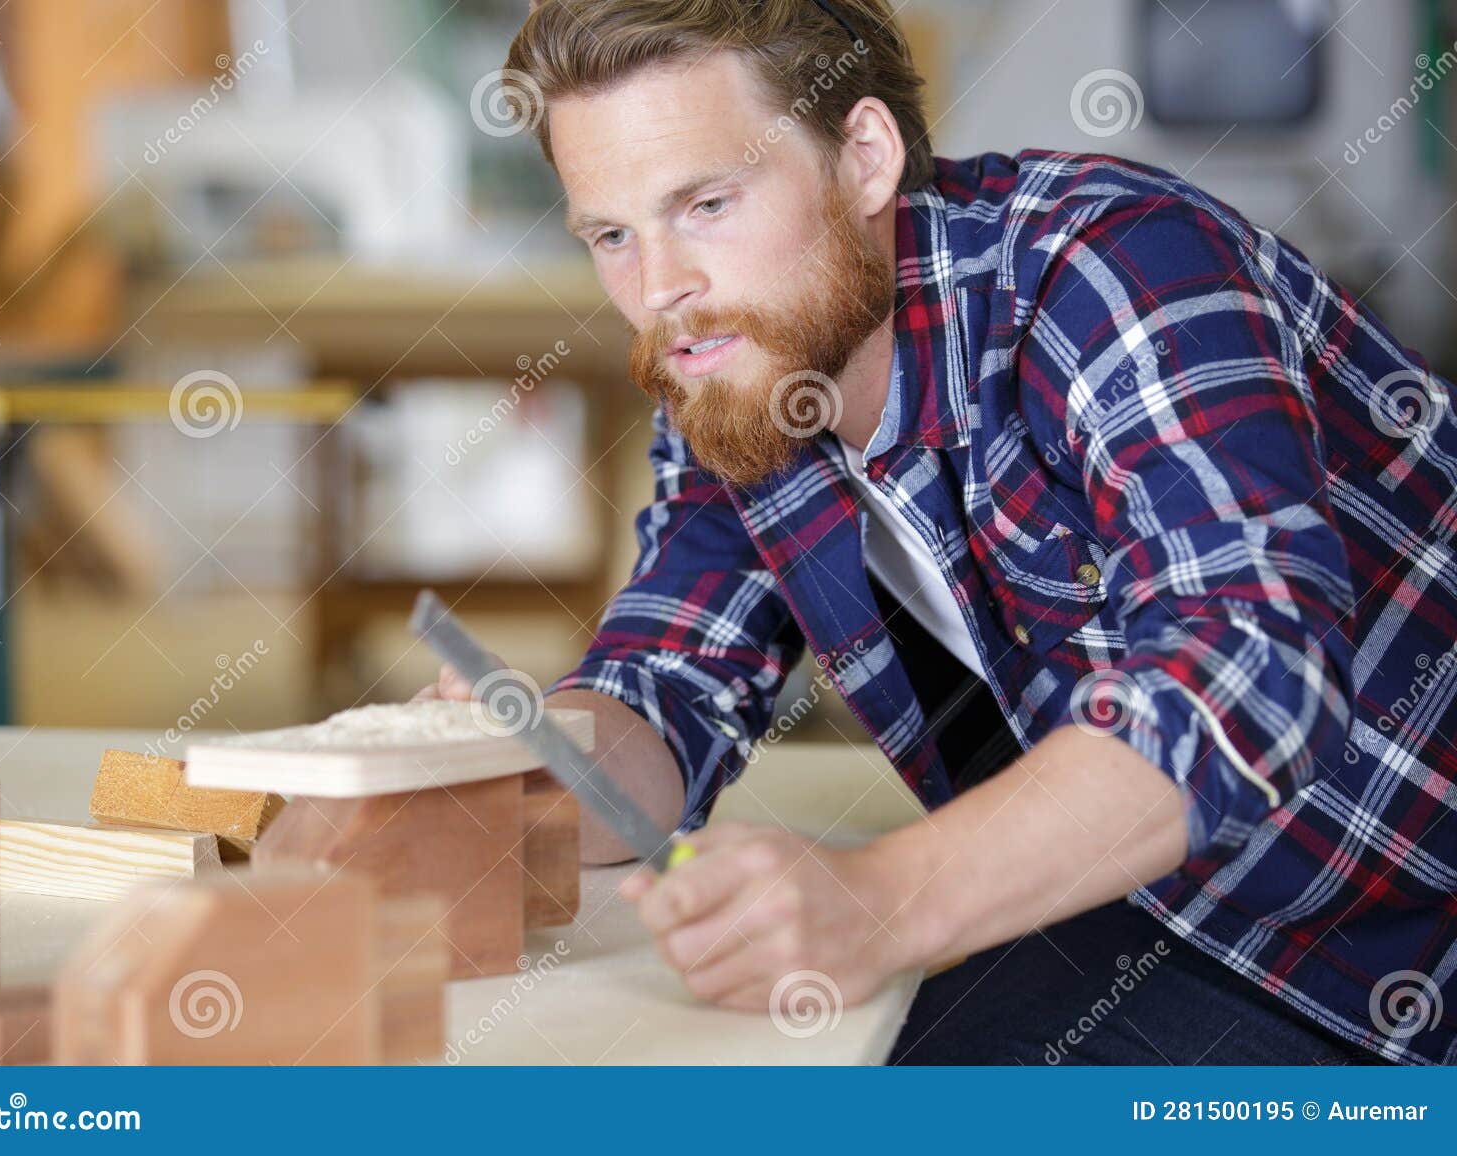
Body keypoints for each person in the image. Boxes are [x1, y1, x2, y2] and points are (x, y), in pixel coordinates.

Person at [417, 0, 1455, 1065]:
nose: (660, 289)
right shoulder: (739, 372)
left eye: (708, 204)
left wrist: (883, 897)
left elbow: (1255, 663)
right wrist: (530, 767)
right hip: (1147, 914)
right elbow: (664, 686)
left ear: (864, 157)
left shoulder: (1111, 264)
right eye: (611, 235)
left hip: (1399, 959)